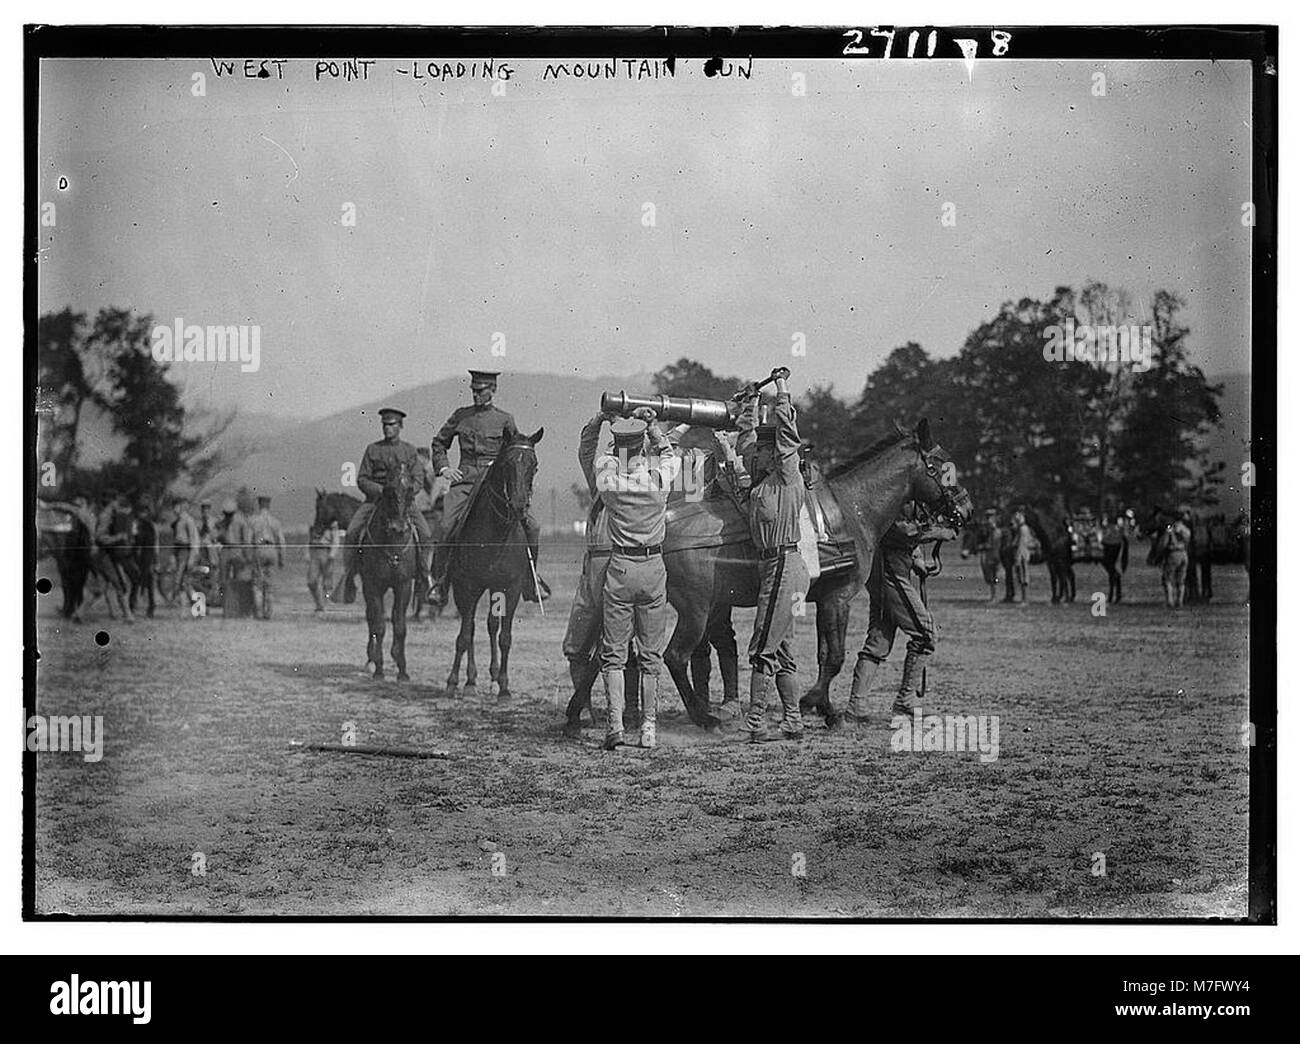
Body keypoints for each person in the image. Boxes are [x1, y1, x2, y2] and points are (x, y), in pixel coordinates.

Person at [594, 407, 680, 750]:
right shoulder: (659, 478)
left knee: (614, 654)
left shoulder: (610, 482)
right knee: (650, 654)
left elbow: (603, 460)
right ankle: (648, 729)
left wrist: (612, 430)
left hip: (620, 568)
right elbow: (669, 455)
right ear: (643, 448)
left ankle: (615, 726)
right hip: (653, 567)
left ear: (618, 449)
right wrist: (653, 428)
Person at [430, 370, 547, 606]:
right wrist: (444, 469)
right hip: (466, 479)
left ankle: (531, 580)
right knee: (445, 526)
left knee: (533, 526)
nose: (476, 395)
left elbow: (515, 451)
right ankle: (440, 583)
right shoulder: (461, 416)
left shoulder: (505, 419)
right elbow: (439, 443)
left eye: (481, 391)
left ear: (492, 391)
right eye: (473, 391)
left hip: (496, 483)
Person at [736, 368, 807, 743]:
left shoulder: (787, 477)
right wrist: (750, 402)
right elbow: (746, 441)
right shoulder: (761, 484)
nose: (758, 454)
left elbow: (787, 437)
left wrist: (781, 391)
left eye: (765, 450)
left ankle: (755, 722)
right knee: (782, 647)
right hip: (778, 568)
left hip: (784, 565)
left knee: (762, 645)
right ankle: (793, 720)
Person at [843, 500, 957, 723]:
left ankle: (856, 706)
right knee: (926, 634)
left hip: (889, 570)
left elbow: (906, 532)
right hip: (890, 572)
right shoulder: (895, 491)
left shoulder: (905, 492)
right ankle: (906, 700)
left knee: (877, 643)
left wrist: (916, 560)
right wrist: (938, 532)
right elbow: (897, 531)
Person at [333, 407, 433, 604]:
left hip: (404, 504)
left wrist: (403, 491)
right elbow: (362, 479)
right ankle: (349, 577)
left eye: (392, 425)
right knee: (353, 531)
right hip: (375, 502)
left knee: (425, 535)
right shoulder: (373, 449)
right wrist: (383, 491)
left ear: (400, 426)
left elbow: (419, 479)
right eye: (385, 425)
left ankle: (425, 578)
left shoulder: (409, 450)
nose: (388, 428)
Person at [248, 494, 286, 619]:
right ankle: (268, 613)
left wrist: (249, 557)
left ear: (259, 505)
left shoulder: (253, 521)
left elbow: (249, 541)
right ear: (269, 505)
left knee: (258, 584)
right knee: (269, 584)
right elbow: (281, 542)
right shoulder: (275, 522)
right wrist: (282, 559)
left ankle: (258, 612)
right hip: (272, 550)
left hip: (259, 549)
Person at [216, 498, 255, 617]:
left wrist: (247, 556)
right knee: (223, 581)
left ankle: (240, 609)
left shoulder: (241, 521)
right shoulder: (221, 523)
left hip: (237, 550)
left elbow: (246, 540)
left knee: (240, 581)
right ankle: (226, 608)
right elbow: (216, 537)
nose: (228, 516)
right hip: (226, 551)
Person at [169, 497, 201, 608]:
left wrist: (192, 558)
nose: (174, 509)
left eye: (176, 506)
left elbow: (194, 540)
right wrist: (173, 555)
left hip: (186, 552)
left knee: (181, 581)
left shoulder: (188, 520)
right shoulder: (177, 522)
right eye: (173, 507)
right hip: (179, 551)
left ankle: (198, 606)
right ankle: (188, 608)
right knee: (183, 583)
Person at [1160, 510, 1193, 609]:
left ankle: (1170, 601)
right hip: (1183, 553)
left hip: (1173, 554)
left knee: (1168, 578)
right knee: (1181, 580)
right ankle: (1180, 601)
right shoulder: (1186, 530)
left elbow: (1164, 543)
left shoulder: (1170, 529)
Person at [307, 521, 340, 613]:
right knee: (311, 581)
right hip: (314, 552)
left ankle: (325, 604)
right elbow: (309, 537)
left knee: (327, 583)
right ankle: (319, 603)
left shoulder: (332, 524)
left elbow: (336, 541)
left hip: (326, 551)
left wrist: (332, 554)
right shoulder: (314, 521)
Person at [1100, 513, 1129, 604]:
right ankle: (1115, 593)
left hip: (1110, 542)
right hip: (1112, 538)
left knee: (1111, 568)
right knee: (1111, 568)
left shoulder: (1109, 527)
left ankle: (1114, 593)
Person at [1012, 508, 1033, 603]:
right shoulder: (1022, 528)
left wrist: (1018, 557)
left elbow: (1021, 544)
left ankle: (1025, 599)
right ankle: (1024, 598)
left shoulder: (1023, 529)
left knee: (1024, 577)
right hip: (1023, 554)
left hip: (1022, 555)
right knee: (1022, 577)